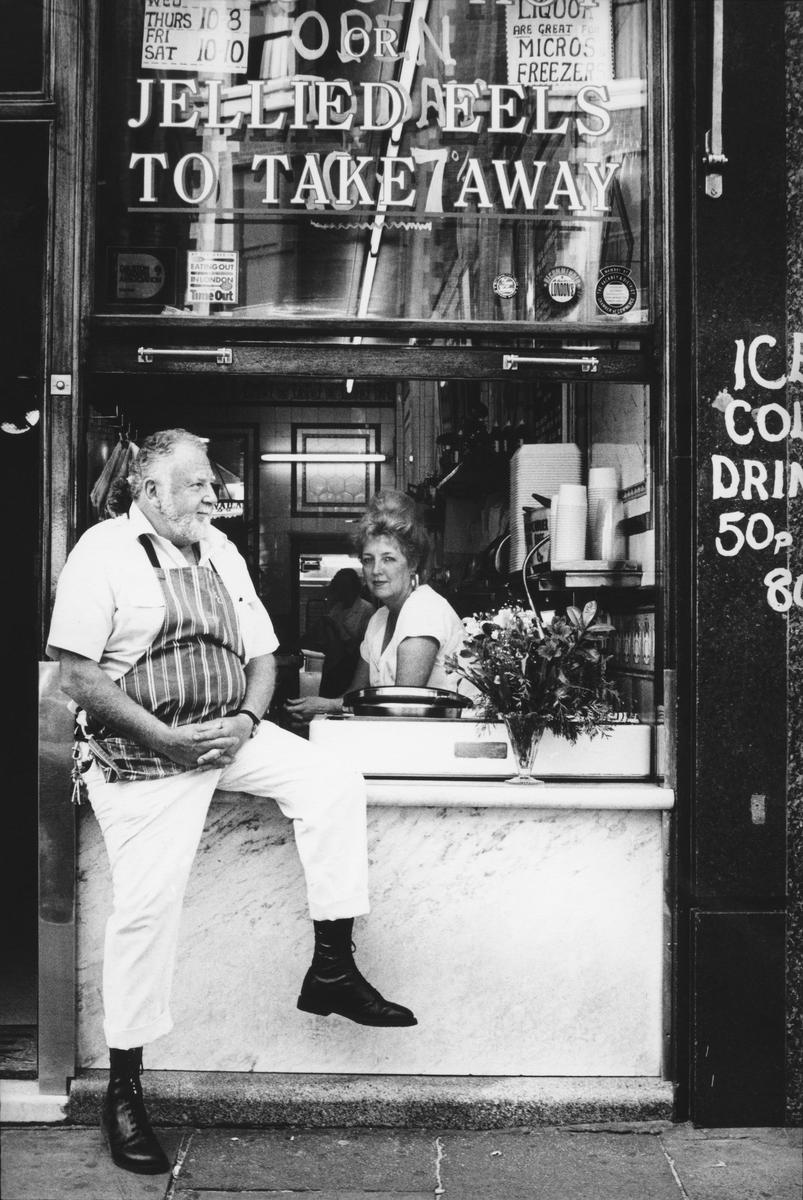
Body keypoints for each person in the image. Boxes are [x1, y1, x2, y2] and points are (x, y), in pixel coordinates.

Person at [46, 430, 416, 1178]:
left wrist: (247, 721)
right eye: (196, 487)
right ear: (149, 492)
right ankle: (125, 1090)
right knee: (146, 914)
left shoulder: (218, 549)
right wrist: (173, 743)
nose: (212, 499)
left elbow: (263, 657)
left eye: (213, 488)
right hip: (147, 755)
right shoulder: (102, 553)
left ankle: (333, 968)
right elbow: (78, 676)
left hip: (229, 734)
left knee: (331, 784)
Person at [287, 491, 475, 722]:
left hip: (443, 739)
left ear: (413, 563)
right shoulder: (378, 619)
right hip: (402, 731)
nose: (376, 570)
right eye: (368, 560)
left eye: (388, 559)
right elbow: (354, 696)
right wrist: (325, 706)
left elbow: (403, 707)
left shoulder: (424, 609)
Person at [317, 568, 374, 698]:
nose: (342, 591)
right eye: (340, 587)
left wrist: (338, 629)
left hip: (353, 666)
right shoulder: (336, 608)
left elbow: (362, 643)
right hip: (333, 664)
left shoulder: (367, 609)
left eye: (345, 587)